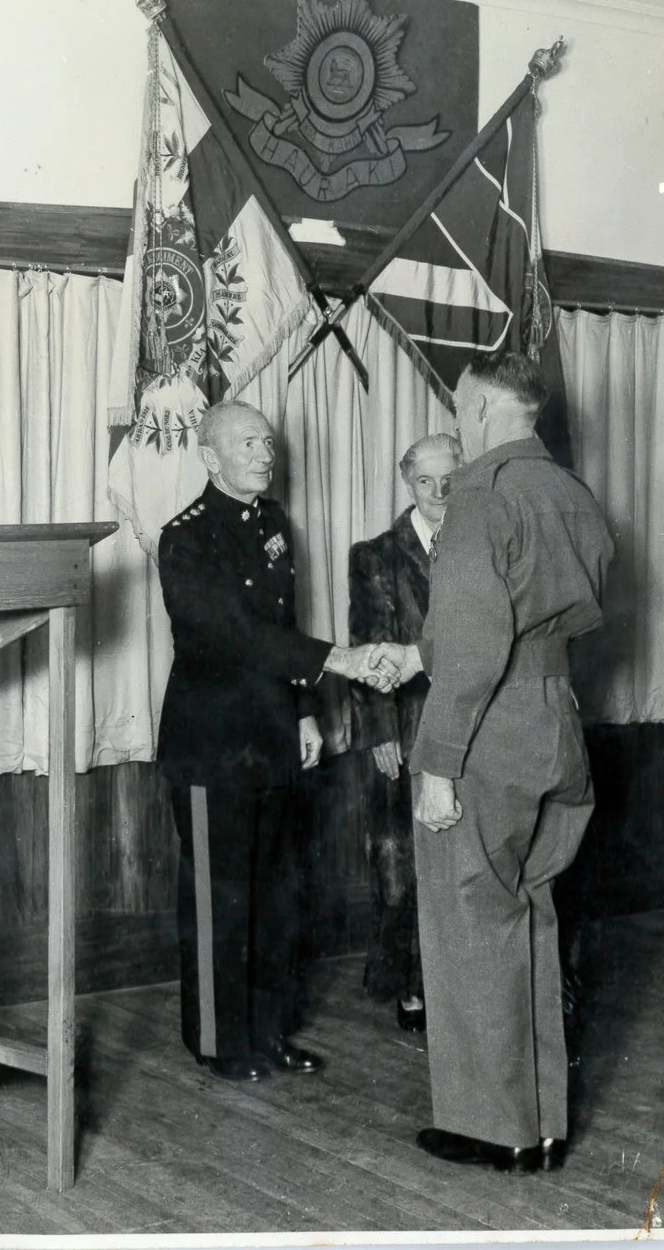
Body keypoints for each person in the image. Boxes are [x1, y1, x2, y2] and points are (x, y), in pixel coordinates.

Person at [373, 353, 613, 1172]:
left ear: (477, 409)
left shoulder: (479, 492)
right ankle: (543, 1122)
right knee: (534, 916)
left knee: (471, 922)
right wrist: (419, 653)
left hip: (486, 730)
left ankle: (490, 1127)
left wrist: (436, 760)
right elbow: (560, 611)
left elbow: (475, 643)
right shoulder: (570, 492)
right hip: (558, 723)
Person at [157, 400, 394, 1082]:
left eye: (267, 441)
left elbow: (280, 628)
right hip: (211, 744)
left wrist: (303, 716)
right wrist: (339, 660)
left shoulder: (274, 525)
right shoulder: (188, 537)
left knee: (274, 895)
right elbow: (236, 636)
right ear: (209, 457)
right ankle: (219, 1040)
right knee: (219, 898)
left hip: (270, 733)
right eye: (248, 443)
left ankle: (268, 1032)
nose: (265, 452)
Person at [348, 433, 461, 1032]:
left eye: (450, 480)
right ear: (406, 482)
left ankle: (453, 981)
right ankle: (411, 986)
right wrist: (379, 730)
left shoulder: (479, 541)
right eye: (426, 482)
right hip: (408, 725)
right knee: (401, 863)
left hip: (470, 721)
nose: (440, 493)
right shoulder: (376, 555)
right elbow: (368, 647)